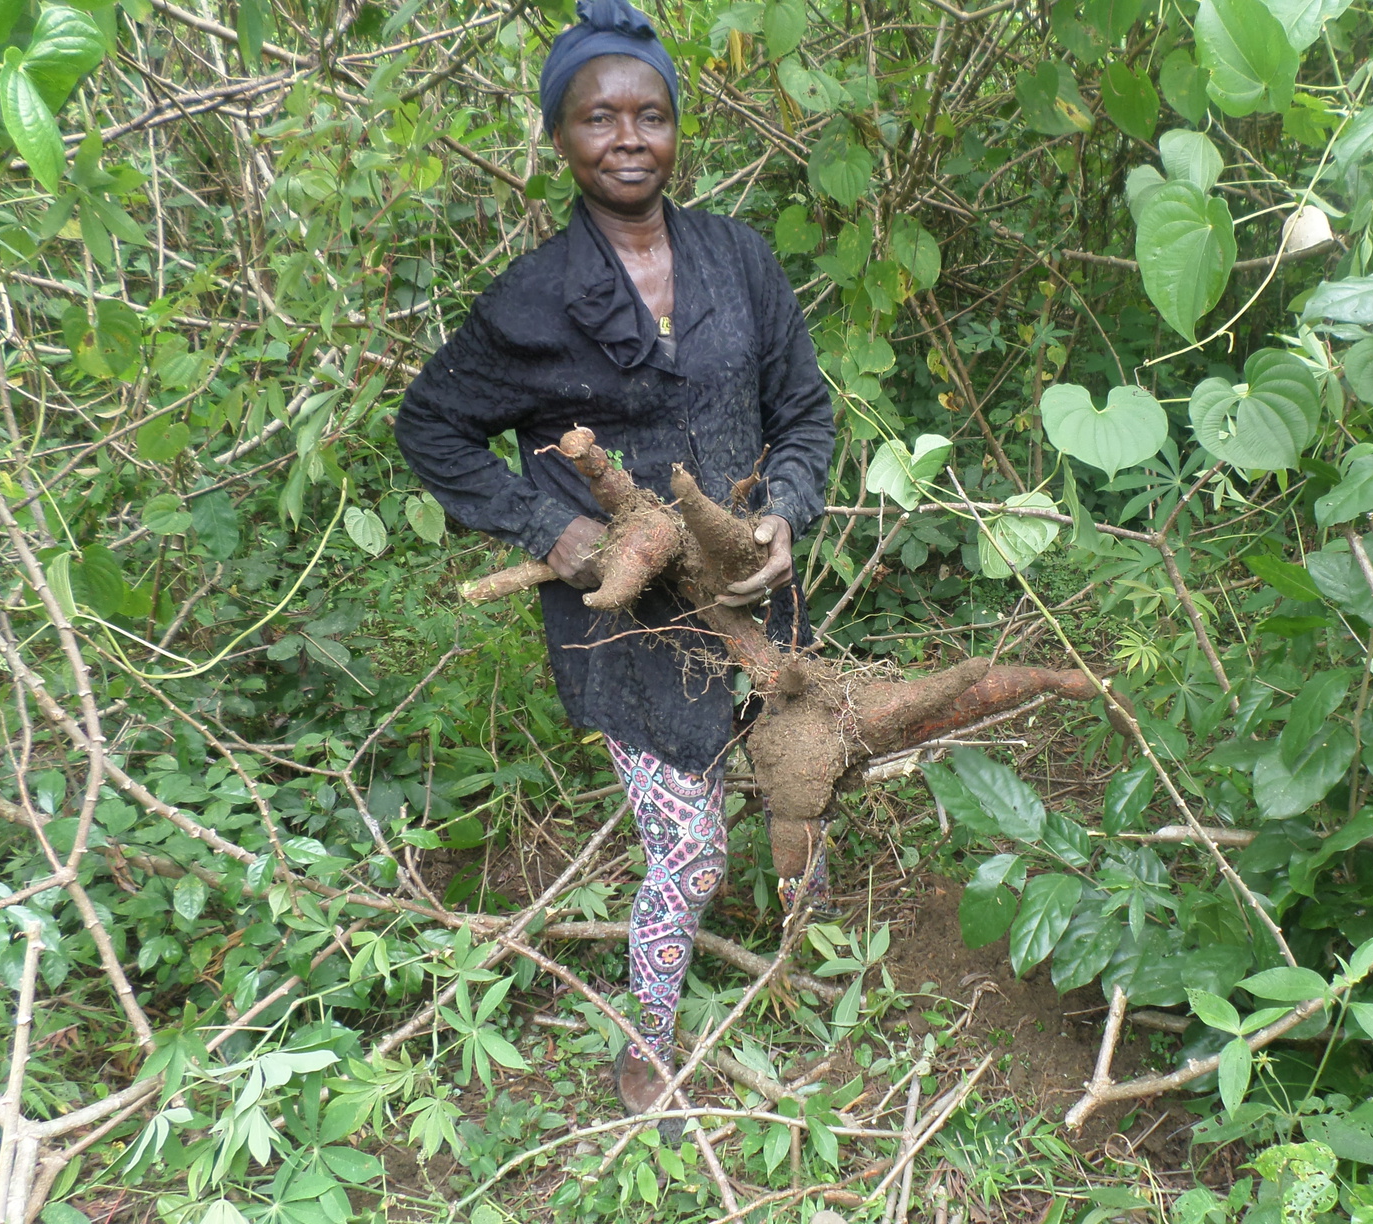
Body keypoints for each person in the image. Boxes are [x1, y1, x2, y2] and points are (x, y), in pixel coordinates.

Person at [394, 0, 836, 1130]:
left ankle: (803, 942)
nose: (627, 137)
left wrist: (784, 514)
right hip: (624, 622)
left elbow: (803, 413)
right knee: (687, 846)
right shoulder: (534, 296)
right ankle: (647, 1040)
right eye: (599, 118)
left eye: (649, 114)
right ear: (560, 138)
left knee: (799, 759)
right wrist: (554, 531)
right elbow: (432, 425)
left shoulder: (737, 258)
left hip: (749, 588)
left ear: (678, 129)